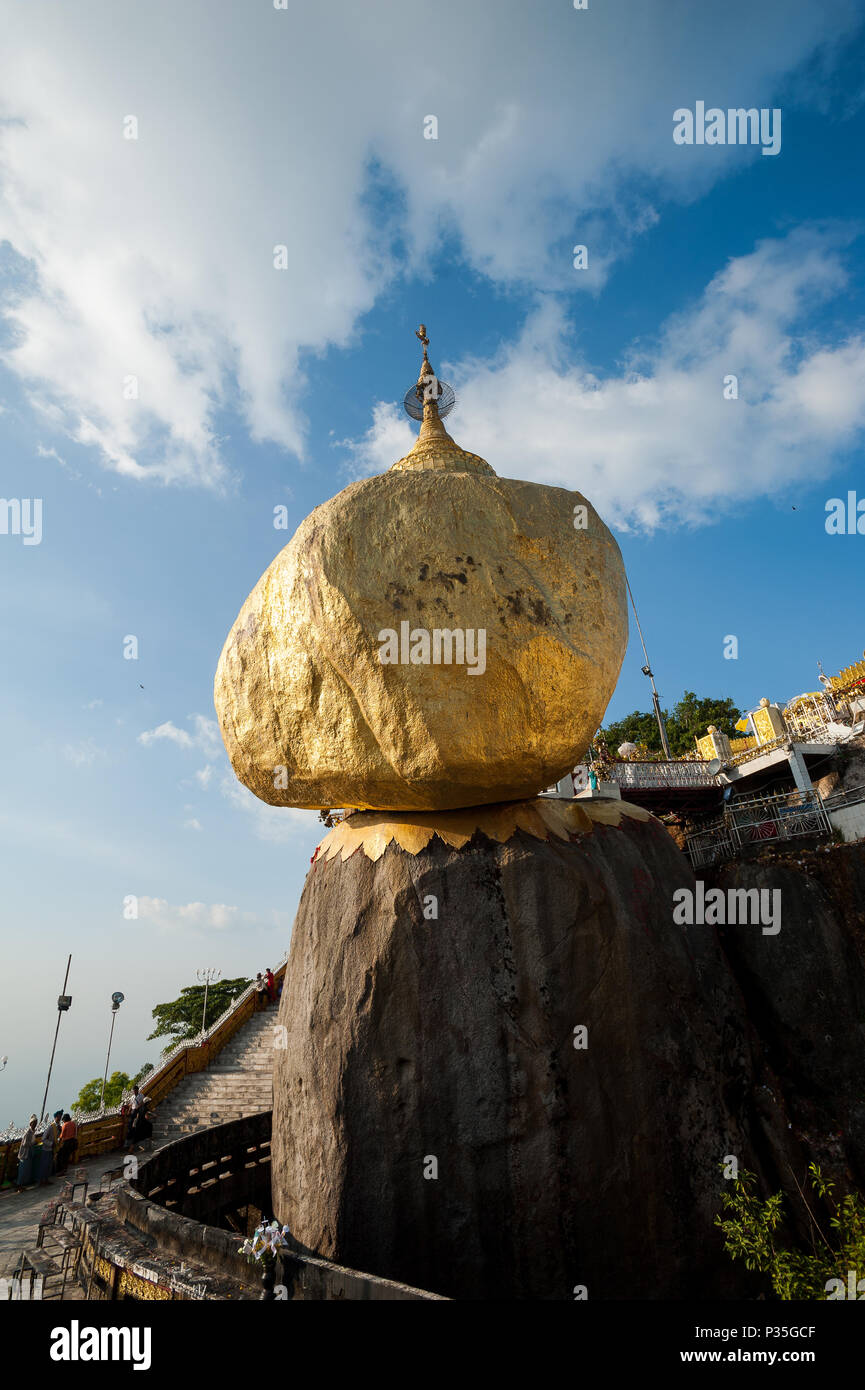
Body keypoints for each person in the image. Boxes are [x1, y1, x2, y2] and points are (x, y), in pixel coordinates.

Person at [15, 1115, 39, 1191]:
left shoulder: (32, 1132)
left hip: (28, 1154)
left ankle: (21, 1185)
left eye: (36, 1123)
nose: (35, 1124)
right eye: (34, 1123)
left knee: (26, 1171)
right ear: (30, 1124)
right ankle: (19, 1186)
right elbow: (25, 1144)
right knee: (22, 1171)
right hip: (24, 1154)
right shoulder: (28, 1133)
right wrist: (33, 1143)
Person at [39, 1111, 62, 1185]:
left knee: (49, 1165)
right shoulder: (50, 1127)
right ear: (55, 1118)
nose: (59, 1118)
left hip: (52, 1149)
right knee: (45, 1165)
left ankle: (46, 1179)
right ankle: (42, 1180)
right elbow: (43, 1139)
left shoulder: (59, 1127)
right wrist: (51, 1144)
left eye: (60, 1117)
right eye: (58, 1117)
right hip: (47, 1149)